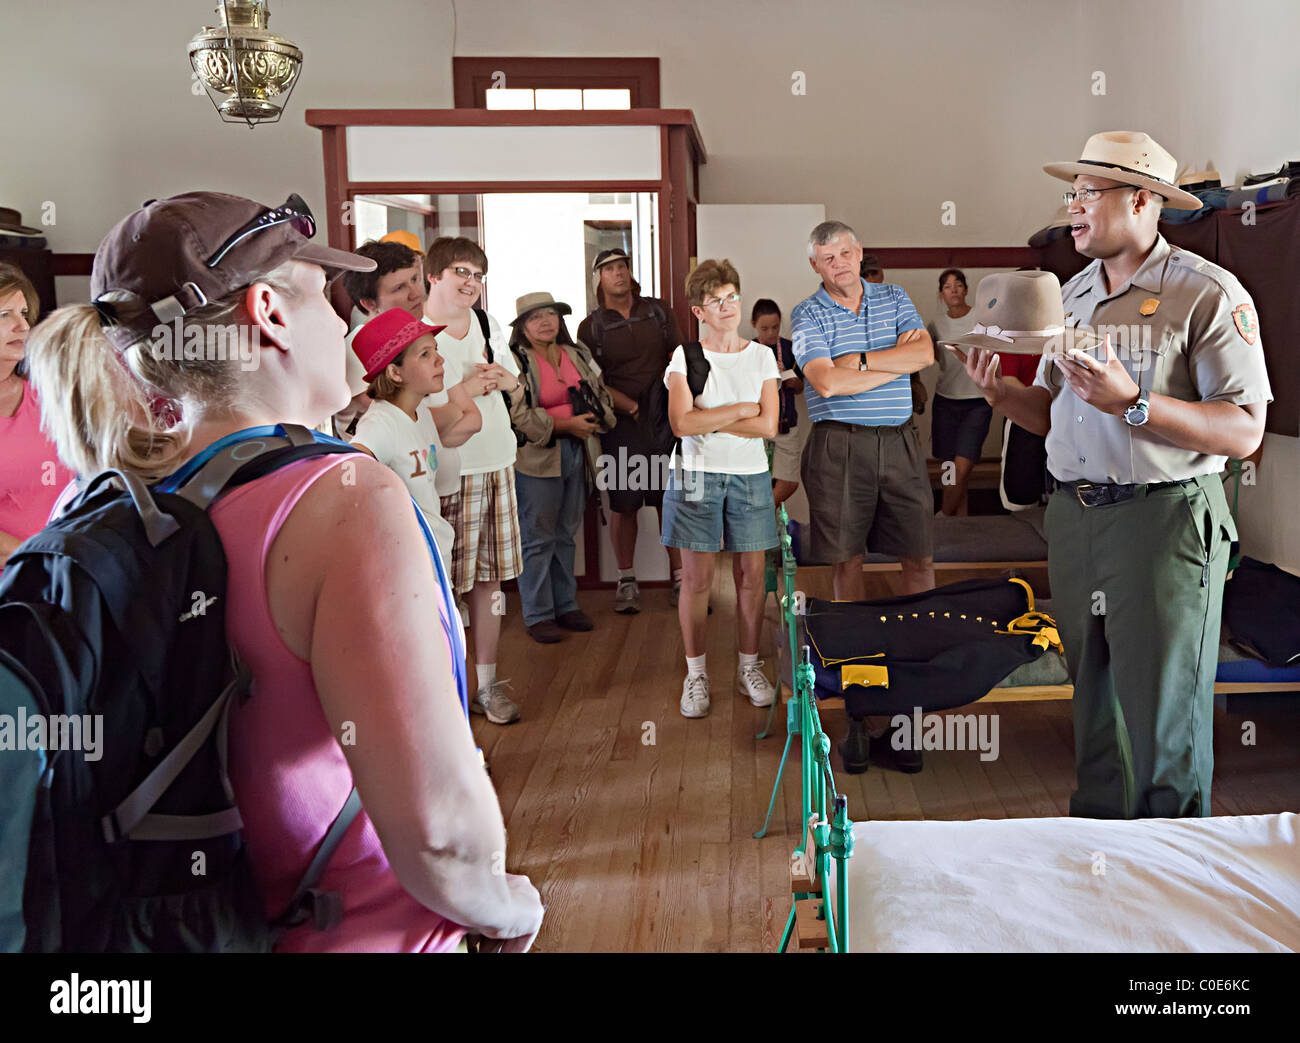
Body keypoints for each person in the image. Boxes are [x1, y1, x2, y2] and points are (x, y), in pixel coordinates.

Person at [24, 190, 543, 950]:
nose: (343, 322)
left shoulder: (107, 499)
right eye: (326, 297)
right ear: (267, 313)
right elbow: (439, 834)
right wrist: (513, 910)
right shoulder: (344, 499)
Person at [953, 131, 1272, 819]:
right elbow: (1051, 413)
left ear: (1142, 200)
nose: (1072, 207)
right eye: (1071, 193)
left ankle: (1172, 863)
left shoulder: (1207, 294)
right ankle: (1100, 853)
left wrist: (1134, 402)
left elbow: (1245, 431)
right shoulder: (1067, 295)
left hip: (1162, 519)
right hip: (1075, 518)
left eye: (1088, 193)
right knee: (1094, 703)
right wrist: (1001, 396)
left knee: (1163, 714)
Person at [792, 221, 935, 772]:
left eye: (846, 253)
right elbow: (826, 383)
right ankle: (860, 709)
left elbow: (924, 354)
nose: (840, 264)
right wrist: (888, 359)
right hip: (839, 447)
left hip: (900, 443)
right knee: (846, 564)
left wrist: (858, 361)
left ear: (859, 253)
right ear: (816, 265)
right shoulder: (807, 314)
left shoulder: (894, 296)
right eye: (827, 258)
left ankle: (912, 706)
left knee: (919, 560)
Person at [662, 259, 780, 719]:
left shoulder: (762, 356)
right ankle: (695, 674)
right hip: (696, 475)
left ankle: (750, 667)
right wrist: (739, 409)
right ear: (699, 311)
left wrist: (708, 419)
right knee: (697, 582)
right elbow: (680, 424)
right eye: (716, 301)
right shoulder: (685, 356)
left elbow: (769, 426)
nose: (728, 306)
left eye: (732, 297)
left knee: (752, 577)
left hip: (751, 476)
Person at [421, 236, 525, 725]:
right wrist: (464, 389)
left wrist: (507, 381)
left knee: (491, 579)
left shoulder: (487, 323)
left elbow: (515, 383)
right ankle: (446, 693)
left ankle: (487, 684)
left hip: (499, 459)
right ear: (433, 275)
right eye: (461, 272)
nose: (471, 282)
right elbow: (414, 413)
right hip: (449, 469)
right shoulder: (418, 333)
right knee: (445, 586)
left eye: (478, 275)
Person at [577, 248, 683, 612]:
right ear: (599, 278)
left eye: (622, 266)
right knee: (625, 505)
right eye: (609, 269)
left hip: (664, 421)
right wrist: (631, 407)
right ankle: (626, 580)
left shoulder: (657, 311)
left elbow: (680, 358)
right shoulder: (590, 327)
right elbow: (591, 381)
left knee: (670, 500)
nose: (618, 273)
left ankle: (680, 579)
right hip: (620, 425)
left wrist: (668, 398)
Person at [506, 292, 615, 644]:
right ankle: (538, 615)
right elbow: (518, 416)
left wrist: (595, 419)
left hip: (579, 453)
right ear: (522, 327)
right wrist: (568, 424)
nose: (545, 321)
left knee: (566, 534)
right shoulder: (516, 361)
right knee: (537, 537)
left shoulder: (576, 353)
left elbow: (600, 392)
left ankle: (566, 605)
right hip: (537, 457)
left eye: (551, 314)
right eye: (535, 317)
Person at [348, 308, 457, 566]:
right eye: (425, 354)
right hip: (407, 562)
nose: (440, 360)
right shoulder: (381, 424)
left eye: (436, 349)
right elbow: (347, 476)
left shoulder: (421, 412)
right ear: (395, 373)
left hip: (435, 554)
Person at [0, 263, 76, 570]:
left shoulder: (47, 396)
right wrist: (46, 559)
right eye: (5, 315)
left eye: (24, 313)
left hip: (60, 574)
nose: (23, 326)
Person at [926, 268, 991, 515]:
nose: (953, 290)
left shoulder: (981, 318)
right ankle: (958, 520)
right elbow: (932, 357)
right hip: (945, 401)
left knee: (962, 467)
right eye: (947, 287)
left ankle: (943, 516)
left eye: (958, 285)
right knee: (949, 468)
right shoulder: (935, 324)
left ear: (966, 289)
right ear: (941, 294)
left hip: (977, 401)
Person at [750, 298, 802, 506]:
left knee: (789, 482)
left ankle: (762, 510)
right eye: (764, 328)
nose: (771, 333)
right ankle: (763, 514)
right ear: (753, 324)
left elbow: (801, 387)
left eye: (775, 327)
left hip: (786, 423)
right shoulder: (747, 351)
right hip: (757, 425)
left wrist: (794, 383)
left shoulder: (790, 349)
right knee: (756, 480)